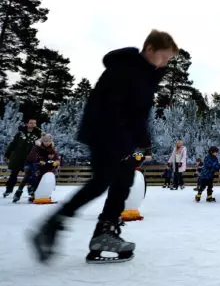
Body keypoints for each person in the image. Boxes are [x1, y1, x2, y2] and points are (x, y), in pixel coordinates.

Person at [30, 29, 178, 264]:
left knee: (123, 180)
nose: (166, 62)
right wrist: (125, 143)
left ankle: (104, 233)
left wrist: (143, 145)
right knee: (102, 181)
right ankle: (52, 225)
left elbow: (138, 115)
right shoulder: (125, 68)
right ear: (150, 49)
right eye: (164, 56)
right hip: (104, 132)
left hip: (122, 138)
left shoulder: (146, 75)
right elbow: (110, 108)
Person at [12, 134, 59, 203]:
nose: (47, 143)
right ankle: (19, 192)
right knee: (29, 175)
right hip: (30, 163)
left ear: (51, 141)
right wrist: (39, 160)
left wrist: (56, 162)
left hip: (43, 165)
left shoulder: (52, 149)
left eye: (48, 141)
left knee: (43, 176)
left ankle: (43, 194)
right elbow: (32, 157)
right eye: (45, 141)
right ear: (42, 141)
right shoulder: (37, 147)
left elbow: (56, 157)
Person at [3, 118, 42, 198]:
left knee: (30, 176)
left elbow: (42, 146)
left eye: (34, 123)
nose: (33, 124)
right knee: (13, 175)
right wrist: (7, 155)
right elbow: (13, 144)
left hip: (30, 159)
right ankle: (8, 190)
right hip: (18, 158)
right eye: (31, 123)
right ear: (27, 124)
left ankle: (31, 191)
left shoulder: (38, 134)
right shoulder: (20, 133)